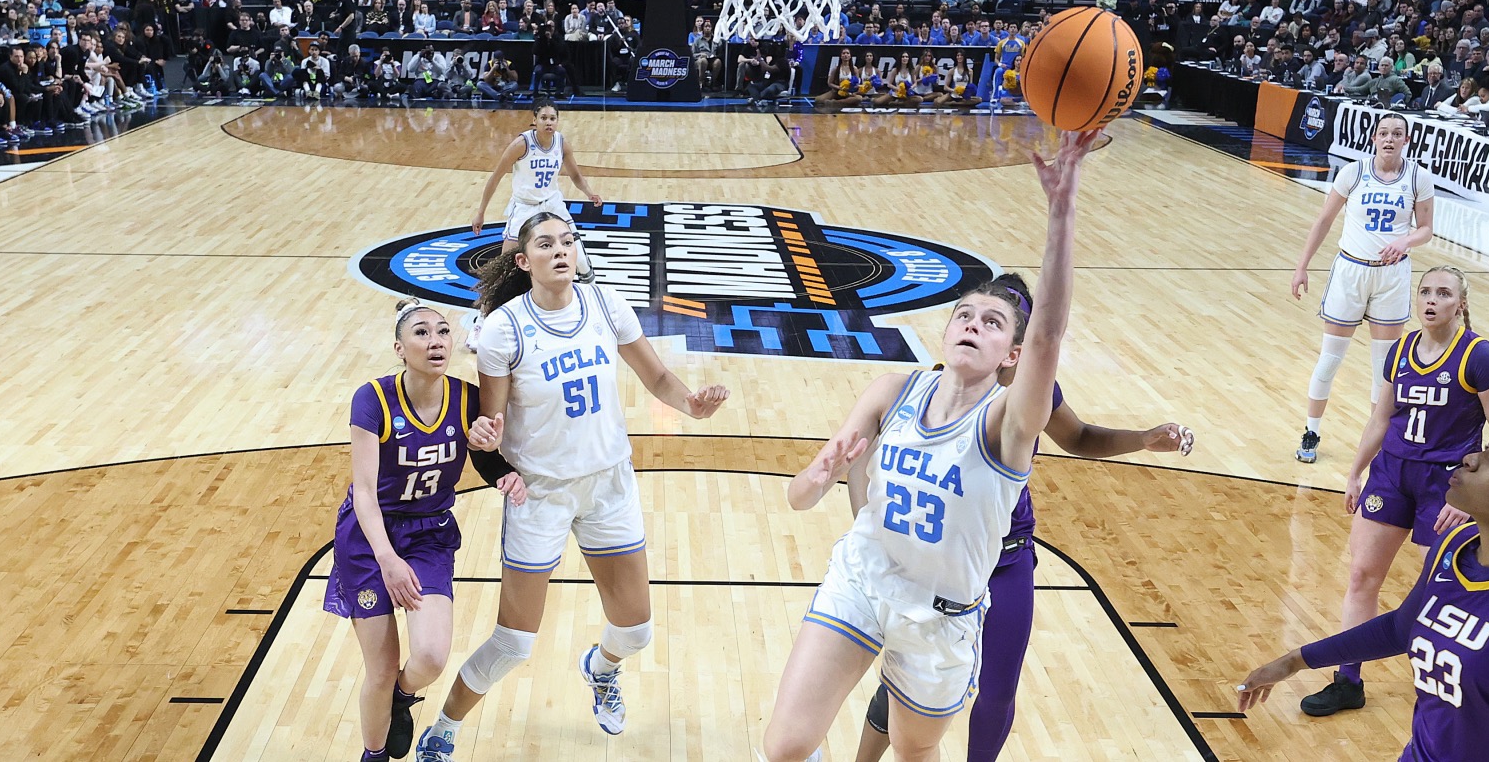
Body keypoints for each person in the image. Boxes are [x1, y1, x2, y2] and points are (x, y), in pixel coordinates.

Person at [761, 131, 1105, 762]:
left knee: (915, 752)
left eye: (993, 323)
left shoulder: (1008, 421)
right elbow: (798, 500)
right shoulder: (894, 387)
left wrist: (1062, 210)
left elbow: (1052, 329)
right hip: (865, 577)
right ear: (946, 330)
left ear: (1015, 355)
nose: (974, 324)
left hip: (941, 616)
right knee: (785, 747)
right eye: (964, 315)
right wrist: (819, 476)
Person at [414, 212, 730, 761]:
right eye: (546, 243)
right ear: (524, 260)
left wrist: (690, 405)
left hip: (608, 484)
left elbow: (656, 376)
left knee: (635, 633)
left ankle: (600, 668)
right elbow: (491, 427)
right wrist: (483, 436)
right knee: (515, 643)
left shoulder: (607, 304)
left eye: (568, 241)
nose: (561, 250)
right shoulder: (503, 330)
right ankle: (444, 726)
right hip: (540, 495)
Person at [853, 370, 1193, 761]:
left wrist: (1142, 438)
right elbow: (867, 456)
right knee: (905, 679)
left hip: (1007, 558)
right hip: (944, 562)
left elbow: (1078, 436)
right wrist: (873, 531)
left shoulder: (1041, 390)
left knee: (997, 693)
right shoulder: (943, 387)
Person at [1237, 419, 1489, 762]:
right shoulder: (1455, 544)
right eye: (1485, 446)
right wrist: (1295, 661)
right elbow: (1400, 629)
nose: (1470, 458)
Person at [1299, 266, 1489, 716]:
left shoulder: (1480, 357)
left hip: (1446, 482)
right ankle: (1347, 680)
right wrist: (1356, 472)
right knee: (1361, 575)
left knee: (1445, 591)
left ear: (1462, 304)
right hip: (1391, 474)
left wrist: (1472, 498)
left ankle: (1466, 687)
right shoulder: (1399, 351)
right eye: (1425, 292)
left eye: (1443, 293)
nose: (1431, 300)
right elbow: (1381, 417)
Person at [327, 299, 524, 762]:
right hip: (370, 538)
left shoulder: (466, 397)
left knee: (431, 658)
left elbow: (484, 456)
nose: (435, 341)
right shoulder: (371, 399)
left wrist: (502, 467)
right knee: (378, 669)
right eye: (421, 333)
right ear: (400, 348)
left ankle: (401, 697)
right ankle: (372, 755)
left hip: (429, 534)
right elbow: (365, 493)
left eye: (442, 331)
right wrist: (388, 560)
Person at [1290, 113, 1435, 464]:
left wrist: (1405, 241)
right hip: (1350, 271)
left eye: (1396, 134)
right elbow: (1324, 220)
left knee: (1383, 367)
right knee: (1329, 360)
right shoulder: (1353, 173)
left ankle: (1376, 444)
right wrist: (1302, 265)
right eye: (1383, 133)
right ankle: (1311, 431)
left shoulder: (1418, 177)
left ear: (1406, 141)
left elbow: (1426, 229)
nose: (1389, 138)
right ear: (1374, 138)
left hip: (1392, 277)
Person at [472, 100, 600, 278]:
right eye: (544, 118)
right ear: (535, 120)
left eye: (553, 118)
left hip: (552, 203)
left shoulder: (561, 143)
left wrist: (589, 193)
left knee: (580, 260)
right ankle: (497, 297)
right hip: (525, 205)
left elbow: (576, 176)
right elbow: (495, 178)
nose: (549, 122)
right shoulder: (521, 144)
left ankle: (589, 289)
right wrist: (481, 212)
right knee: (507, 264)